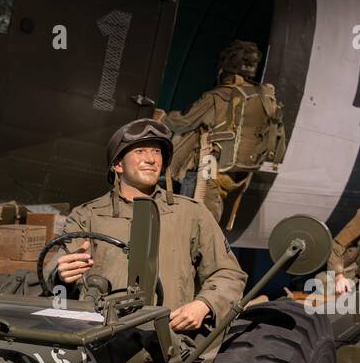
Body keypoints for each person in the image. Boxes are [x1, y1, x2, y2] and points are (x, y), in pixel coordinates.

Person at [51, 118, 247, 332]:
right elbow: (55, 273)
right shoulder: (87, 216)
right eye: (140, 151)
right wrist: (61, 275)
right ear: (118, 165)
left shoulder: (191, 213)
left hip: (168, 338)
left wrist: (203, 304)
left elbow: (229, 273)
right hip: (100, 335)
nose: (151, 159)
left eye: (156, 152)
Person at [155, 41, 286, 226]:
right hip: (234, 176)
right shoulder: (264, 98)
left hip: (205, 172)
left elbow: (183, 122)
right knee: (205, 228)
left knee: (186, 226)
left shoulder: (219, 96)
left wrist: (161, 117)